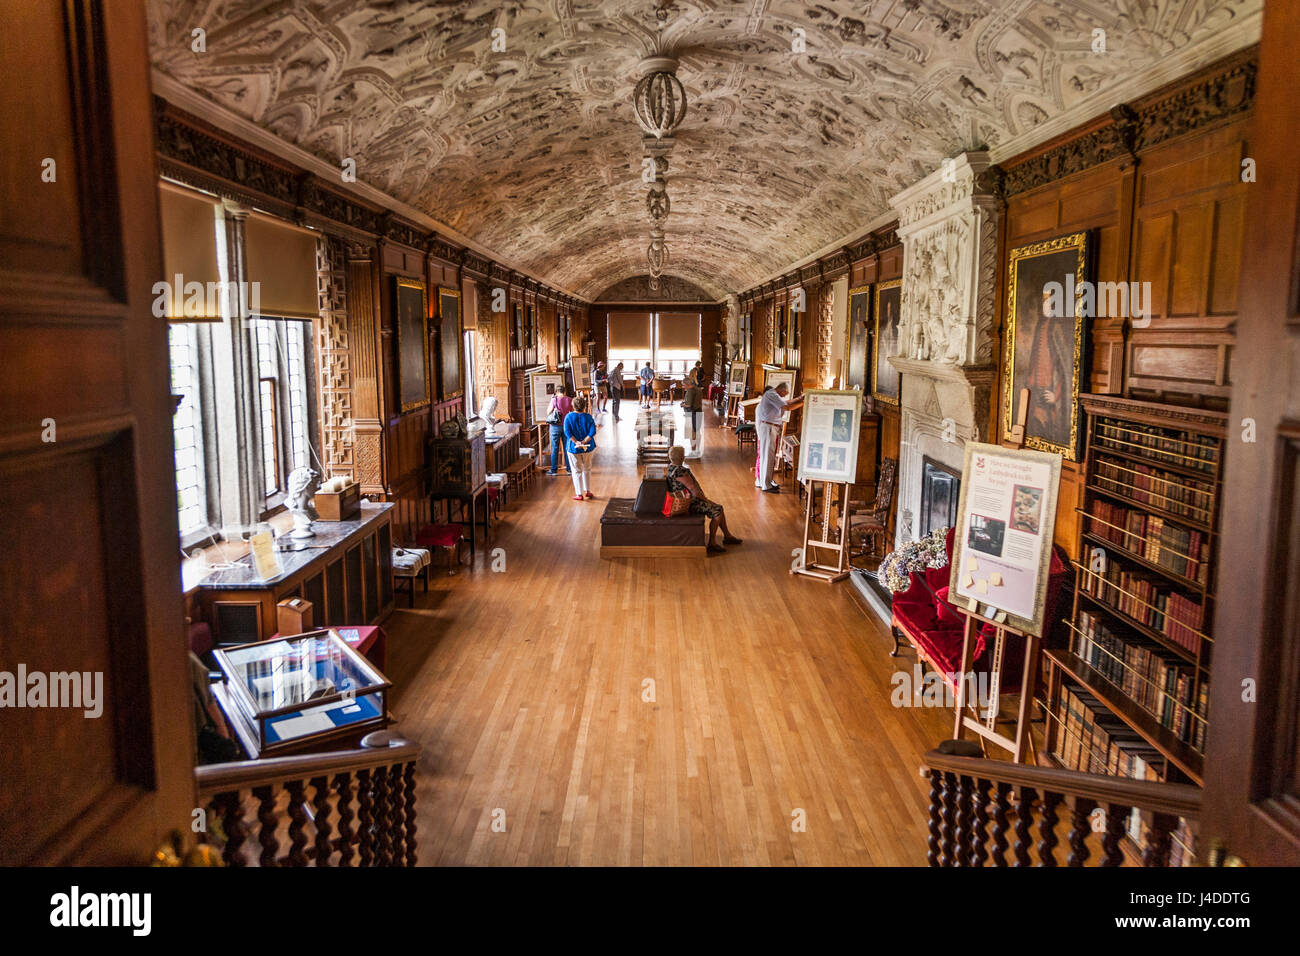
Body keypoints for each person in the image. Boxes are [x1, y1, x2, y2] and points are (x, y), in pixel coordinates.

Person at [666, 445, 741, 554]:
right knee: (717, 510)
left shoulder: (670, 468)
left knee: (719, 508)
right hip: (689, 504)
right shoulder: (680, 471)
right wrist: (707, 500)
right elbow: (694, 491)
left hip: (682, 501)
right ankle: (712, 543)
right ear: (682, 458)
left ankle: (727, 536)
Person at [756, 381, 790, 493]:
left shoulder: (774, 395)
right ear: (781, 390)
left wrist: (801, 398)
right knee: (767, 457)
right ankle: (766, 485)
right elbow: (787, 407)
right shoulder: (772, 394)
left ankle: (767, 482)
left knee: (769, 457)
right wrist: (804, 402)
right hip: (768, 428)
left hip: (771, 428)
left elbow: (787, 403)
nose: (786, 395)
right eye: (785, 392)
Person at [563, 393, 598, 501]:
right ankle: (587, 491)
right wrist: (584, 441)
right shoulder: (588, 417)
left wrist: (576, 442)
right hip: (588, 447)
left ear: (573, 406)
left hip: (573, 448)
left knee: (576, 470)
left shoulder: (568, 417)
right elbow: (593, 431)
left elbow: (567, 431)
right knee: (587, 468)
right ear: (584, 406)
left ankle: (579, 494)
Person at [545, 384, 574, 476]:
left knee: (555, 448)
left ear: (556, 392)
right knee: (567, 448)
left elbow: (548, 411)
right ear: (564, 391)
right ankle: (569, 469)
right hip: (566, 426)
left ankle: (554, 470)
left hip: (555, 427)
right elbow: (572, 412)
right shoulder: (569, 399)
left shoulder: (554, 399)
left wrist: (551, 401)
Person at [682, 373, 703, 459]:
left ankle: (693, 451)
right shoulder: (698, 389)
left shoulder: (690, 391)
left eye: (684, 385)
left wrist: (682, 404)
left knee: (692, 433)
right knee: (697, 432)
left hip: (691, 414)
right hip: (698, 412)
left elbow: (689, 405)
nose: (683, 387)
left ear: (687, 384)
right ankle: (697, 450)